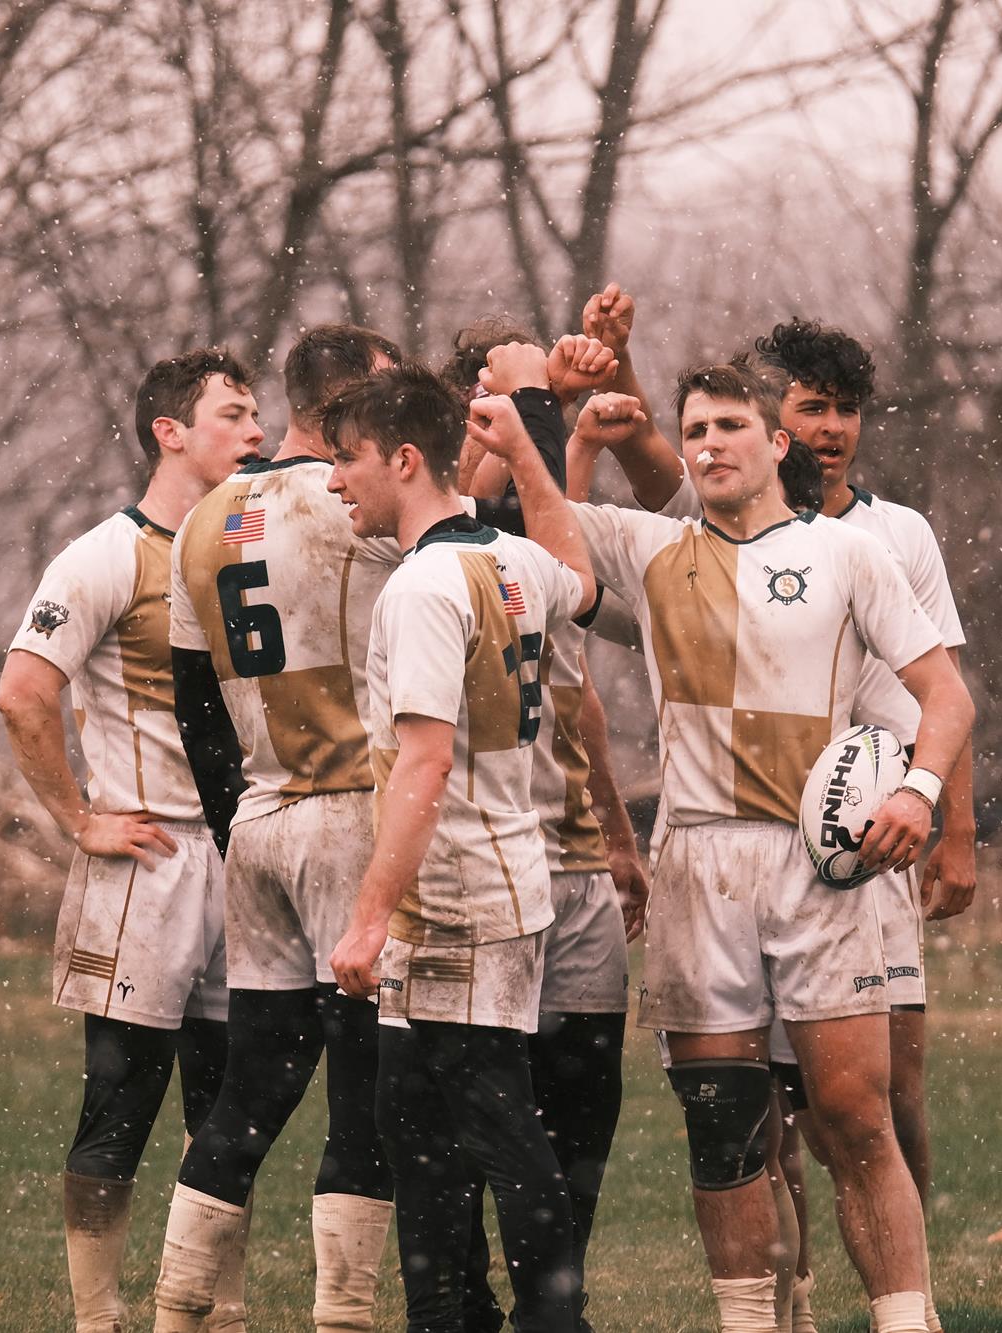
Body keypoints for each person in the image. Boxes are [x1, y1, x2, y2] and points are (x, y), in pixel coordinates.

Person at [579, 294, 976, 1333]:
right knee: (740, 1123)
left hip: (852, 852)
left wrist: (934, 809)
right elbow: (624, 514)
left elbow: (947, 691)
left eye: (847, 407)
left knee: (868, 1105)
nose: (828, 426)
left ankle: (901, 1309)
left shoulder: (885, 539)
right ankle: (780, 1309)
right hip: (711, 865)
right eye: (813, 405)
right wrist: (598, 392)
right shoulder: (674, 554)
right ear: (782, 420)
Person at [325, 364, 600, 1333]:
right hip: (489, 881)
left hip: (460, 898)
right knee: (413, 1120)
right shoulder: (511, 560)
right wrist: (529, 458)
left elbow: (424, 764)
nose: (332, 481)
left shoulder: (426, 584)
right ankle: (448, 1316)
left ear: (402, 459)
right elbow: (584, 580)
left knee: (490, 1120)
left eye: (345, 459)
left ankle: (549, 1319)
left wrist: (364, 919)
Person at [0, 347, 263, 1333]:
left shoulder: (243, 554)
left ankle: (209, 1312)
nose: (254, 431)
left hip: (239, 864)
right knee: (119, 1108)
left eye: (254, 414)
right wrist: (78, 817)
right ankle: (96, 1317)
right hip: (144, 861)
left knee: (229, 1109)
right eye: (233, 413)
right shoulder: (106, 554)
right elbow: (24, 694)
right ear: (170, 431)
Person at [150, 323, 406, 1333]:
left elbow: (190, 704)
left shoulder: (205, 517)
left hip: (257, 819)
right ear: (343, 403)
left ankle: (178, 1312)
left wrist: (237, 821)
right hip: (351, 819)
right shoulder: (364, 510)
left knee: (247, 1095)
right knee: (363, 1096)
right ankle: (341, 1318)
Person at [444, 333, 652, 1333]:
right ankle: (465, 1304)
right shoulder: (439, 541)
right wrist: (537, 392)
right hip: (481, 871)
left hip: (570, 864)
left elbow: (580, 703)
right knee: (477, 1116)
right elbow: (481, 480)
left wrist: (617, 835)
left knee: (581, 1116)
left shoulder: (534, 546)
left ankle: (551, 1305)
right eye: (489, 406)